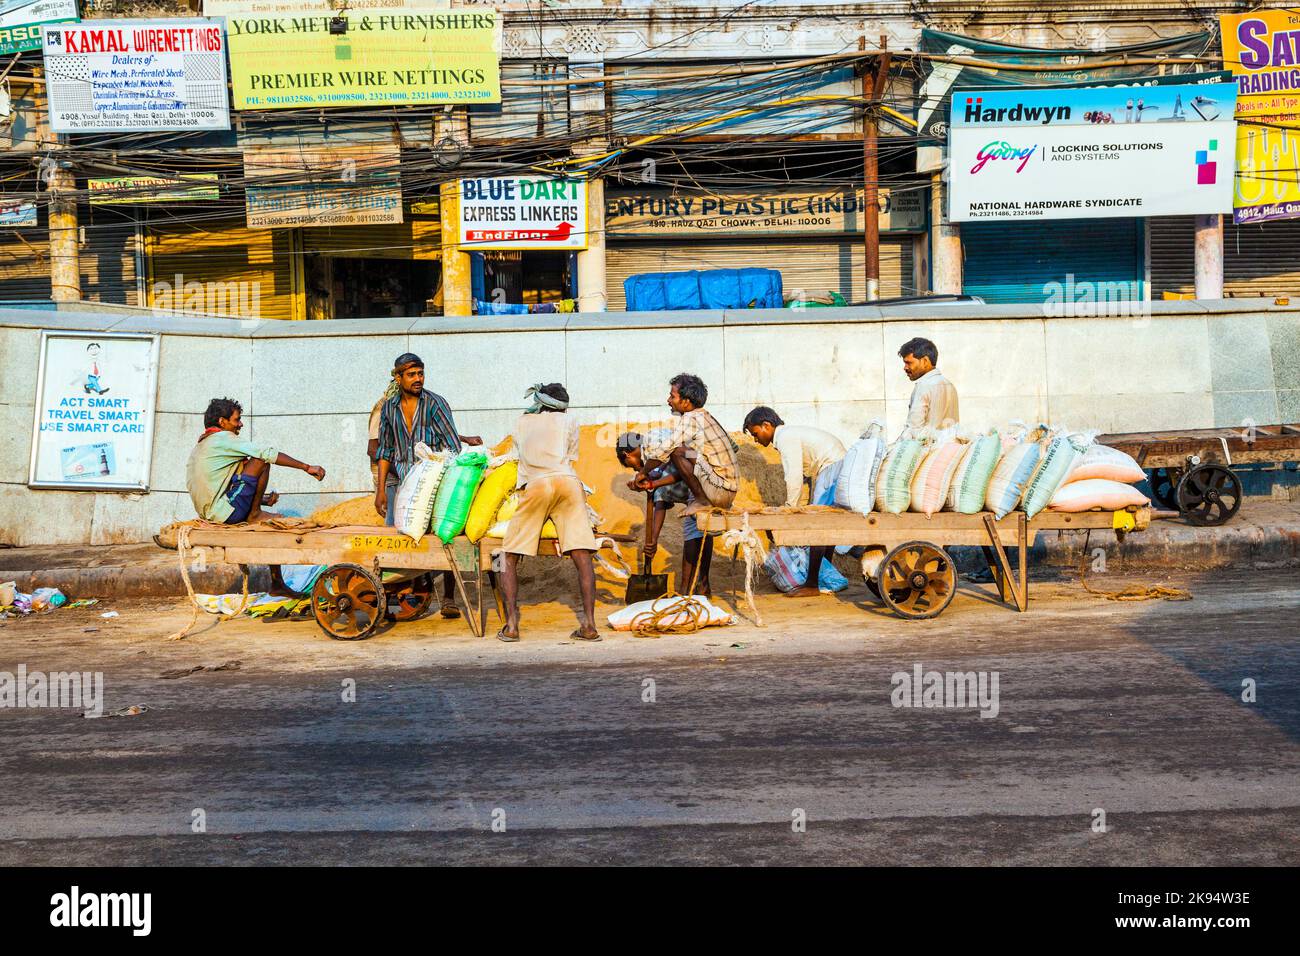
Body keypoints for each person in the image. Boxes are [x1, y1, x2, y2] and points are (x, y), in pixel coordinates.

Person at [373, 352, 482, 618]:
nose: (418, 379)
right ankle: (397, 591)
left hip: (432, 481)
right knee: (394, 537)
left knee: (443, 536)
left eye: (420, 373)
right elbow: (385, 450)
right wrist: (380, 491)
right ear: (398, 378)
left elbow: (452, 446)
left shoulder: (435, 403)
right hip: (399, 481)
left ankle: (447, 597)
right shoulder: (389, 408)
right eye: (411, 375)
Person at [497, 383, 600, 643]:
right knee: (582, 553)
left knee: (507, 554)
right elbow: (571, 456)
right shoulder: (570, 420)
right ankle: (589, 625)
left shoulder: (522, 421)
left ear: (540, 401)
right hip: (568, 483)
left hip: (537, 485)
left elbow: (518, 455)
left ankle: (511, 626)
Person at [636, 373, 739, 597]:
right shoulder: (704, 417)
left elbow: (666, 450)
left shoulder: (691, 419)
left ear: (686, 401)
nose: (668, 400)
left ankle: (700, 500)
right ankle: (697, 589)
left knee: (677, 450)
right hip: (721, 484)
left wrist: (643, 472)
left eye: (672, 396)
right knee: (697, 531)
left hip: (718, 487)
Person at [743, 406, 846, 598]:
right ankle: (824, 578)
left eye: (755, 434)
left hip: (832, 468)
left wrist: (790, 509)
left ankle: (812, 585)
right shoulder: (789, 435)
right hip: (834, 467)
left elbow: (794, 475)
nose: (756, 439)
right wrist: (799, 506)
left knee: (818, 529)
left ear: (767, 425)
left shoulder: (785, 437)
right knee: (826, 527)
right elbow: (804, 476)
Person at [186, 397, 325, 526]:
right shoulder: (223, 438)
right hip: (225, 515)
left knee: (243, 465)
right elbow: (266, 454)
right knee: (261, 461)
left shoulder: (201, 445)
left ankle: (255, 509)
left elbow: (218, 488)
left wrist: (262, 499)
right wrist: (306, 467)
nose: (241, 424)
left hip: (212, 514)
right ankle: (255, 514)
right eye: (236, 420)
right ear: (222, 422)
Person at [616, 429, 689, 567]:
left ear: (627, 455)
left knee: (695, 537)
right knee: (693, 537)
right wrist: (653, 540)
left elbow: (683, 463)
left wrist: (646, 477)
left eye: (631, 466)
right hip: (693, 496)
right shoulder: (655, 465)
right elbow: (660, 500)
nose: (635, 470)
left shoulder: (652, 442)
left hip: (705, 479)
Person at [899, 336, 959, 433]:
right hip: (951, 447)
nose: (905, 368)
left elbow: (913, 429)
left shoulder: (923, 386)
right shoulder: (949, 385)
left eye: (909, 363)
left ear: (925, 361)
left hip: (928, 447)